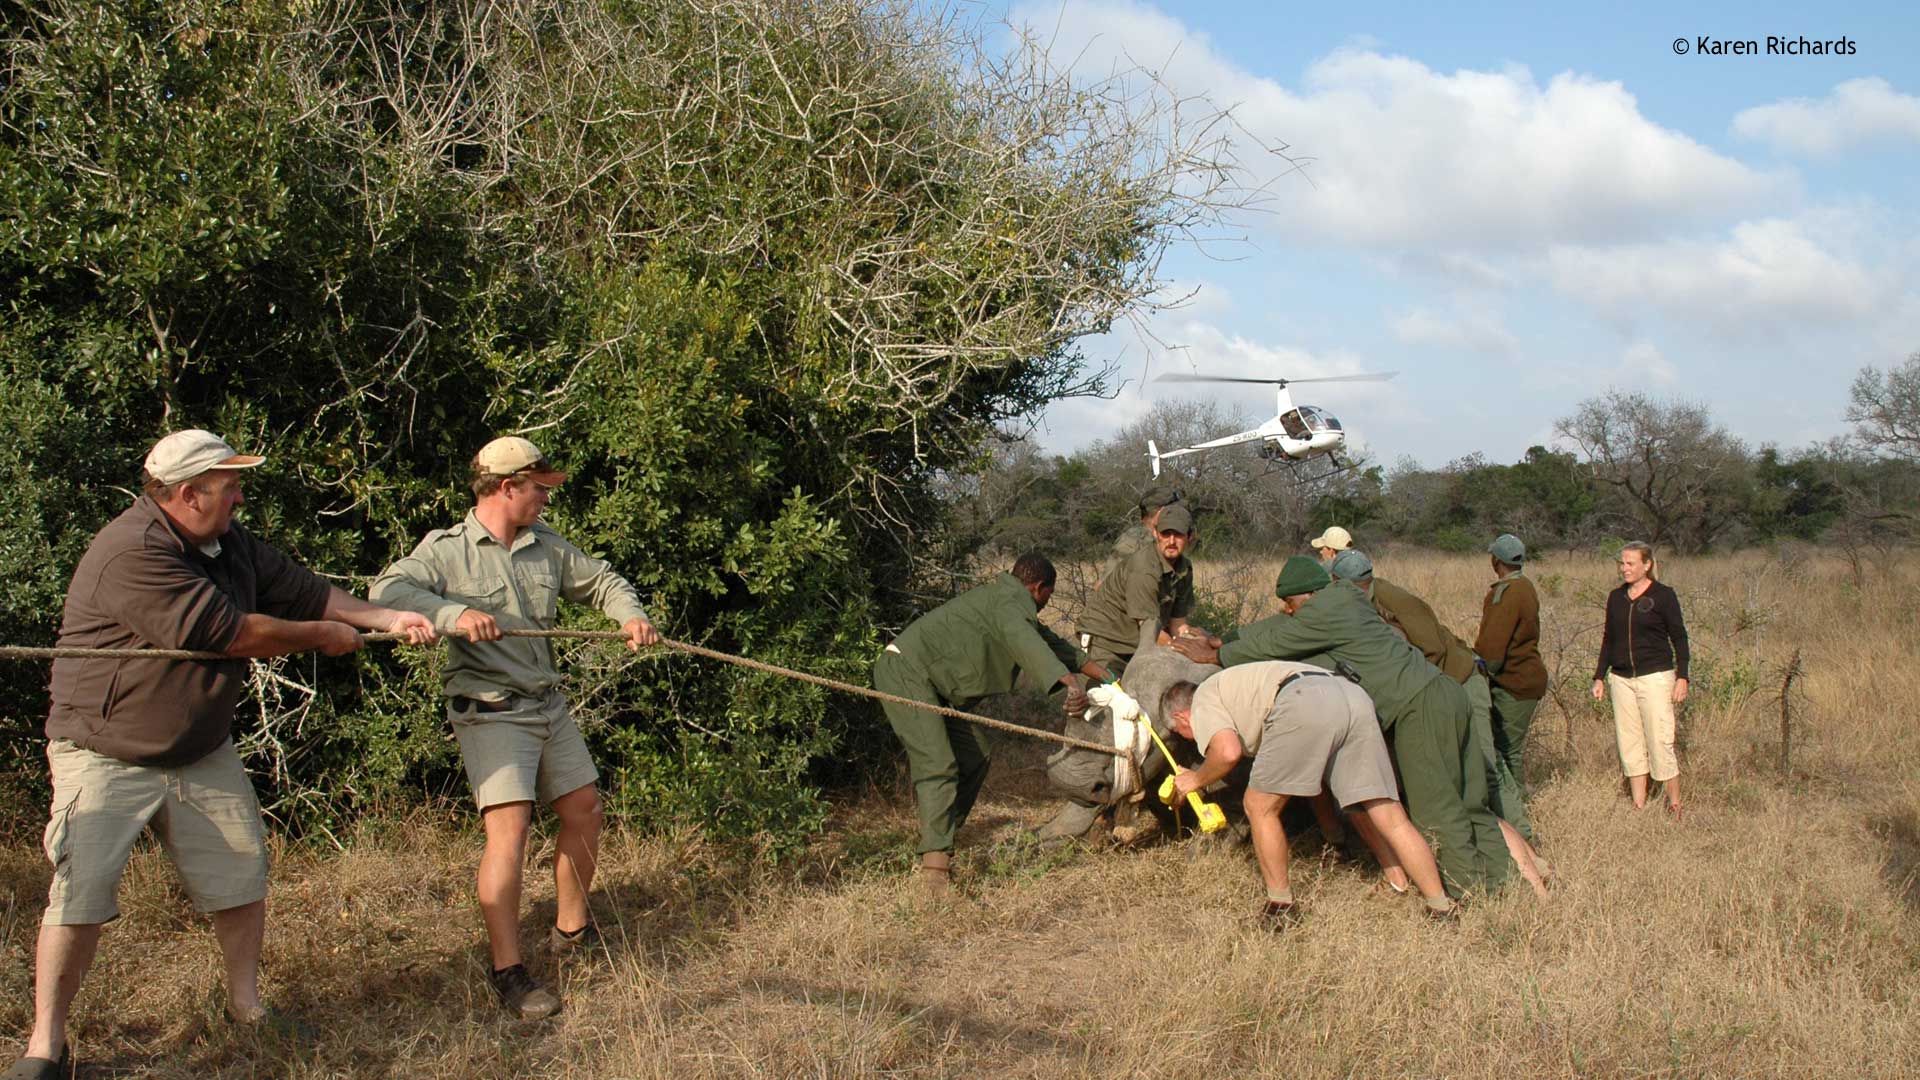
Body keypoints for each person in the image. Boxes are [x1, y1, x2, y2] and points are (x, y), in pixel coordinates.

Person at [11, 430, 437, 1079]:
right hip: (104, 752)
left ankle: (247, 1009)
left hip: (198, 748)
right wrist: (324, 637)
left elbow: (300, 590)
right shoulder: (133, 550)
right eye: (229, 485)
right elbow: (229, 633)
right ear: (188, 494)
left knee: (240, 876)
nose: (239, 496)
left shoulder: (227, 543)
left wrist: (382, 619)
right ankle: (47, 1046)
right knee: (80, 894)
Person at [370, 436, 659, 1020]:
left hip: (546, 704)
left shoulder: (544, 545)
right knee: (511, 827)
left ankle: (571, 931)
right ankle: (508, 970)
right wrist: (452, 614)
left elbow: (602, 582)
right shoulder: (445, 551)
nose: (547, 500)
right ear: (508, 488)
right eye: (540, 489)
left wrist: (630, 615)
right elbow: (387, 591)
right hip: (491, 710)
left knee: (584, 806)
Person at [1171, 556, 1522, 898]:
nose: (1289, 611)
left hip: (1415, 706)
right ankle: (1491, 885)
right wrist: (1228, 637)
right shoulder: (1348, 600)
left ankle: (1465, 892)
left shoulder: (1323, 614)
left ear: (1308, 595)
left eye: (1291, 603)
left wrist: (1218, 655)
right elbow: (1278, 630)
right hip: (1424, 695)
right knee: (1450, 804)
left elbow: (1279, 642)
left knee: (1436, 807)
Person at [874, 553, 1111, 894]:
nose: (1045, 603)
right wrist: (1069, 685)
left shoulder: (1008, 599)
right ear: (1040, 588)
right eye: (1048, 596)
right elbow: (1026, 641)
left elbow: (1051, 643)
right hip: (907, 674)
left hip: (932, 685)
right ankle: (934, 873)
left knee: (975, 756)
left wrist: (1107, 676)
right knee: (939, 762)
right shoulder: (1009, 606)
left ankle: (939, 835)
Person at [1159, 664, 1456, 925]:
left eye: (1180, 733)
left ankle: (1281, 906)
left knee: (1258, 806)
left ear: (1181, 717)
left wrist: (1194, 779)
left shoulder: (1204, 699)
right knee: (1385, 812)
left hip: (1303, 701)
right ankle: (1438, 905)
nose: (1189, 739)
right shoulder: (1237, 687)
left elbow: (1227, 752)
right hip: (1350, 694)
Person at [1329, 549, 1537, 849]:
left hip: (1460, 680)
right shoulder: (1364, 601)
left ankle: (1523, 839)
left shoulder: (1393, 600)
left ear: (1343, 582)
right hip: (1441, 687)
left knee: (1485, 767)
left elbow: (1433, 648)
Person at [1592, 541, 1690, 820]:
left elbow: (1679, 637)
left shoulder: (1664, 595)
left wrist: (1682, 676)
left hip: (1656, 677)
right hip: (1621, 679)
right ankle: (1639, 805)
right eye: (1622, 563)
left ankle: (1674, 805)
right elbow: (1609, 639)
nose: (1624, 568)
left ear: (1647, 565)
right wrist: (1599, 676)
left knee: (1660, 739)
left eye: (1630, 563)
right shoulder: (1616, 598)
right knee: (1629, 741)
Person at [1076, 502, 1200, 679]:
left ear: (1189, 537)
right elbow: (1151, 631)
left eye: (1178, 535)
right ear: (1156, 533)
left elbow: (1178, 623)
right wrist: (1188, 650)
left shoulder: (1184, 568)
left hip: (1137, 644)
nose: (1171, 541)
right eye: (1166, 534)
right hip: (1106, 642)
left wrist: (1194, 643)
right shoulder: (1144, 568)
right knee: (1110, 699)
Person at [1475, 534, 1546, 807]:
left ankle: (1517, 808)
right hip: (1526, 677)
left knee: (1506, 751)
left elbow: (1492, 651)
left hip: (1514, 682)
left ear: (1496, 561)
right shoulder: (1525, 586)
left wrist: (1478, 672)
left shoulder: (1504, 594)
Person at [1095, 485, 1183, 590]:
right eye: (1172, 511)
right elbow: (1102, 587)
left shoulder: (1167, 540)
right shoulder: (1132, 542)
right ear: (1160, 511)